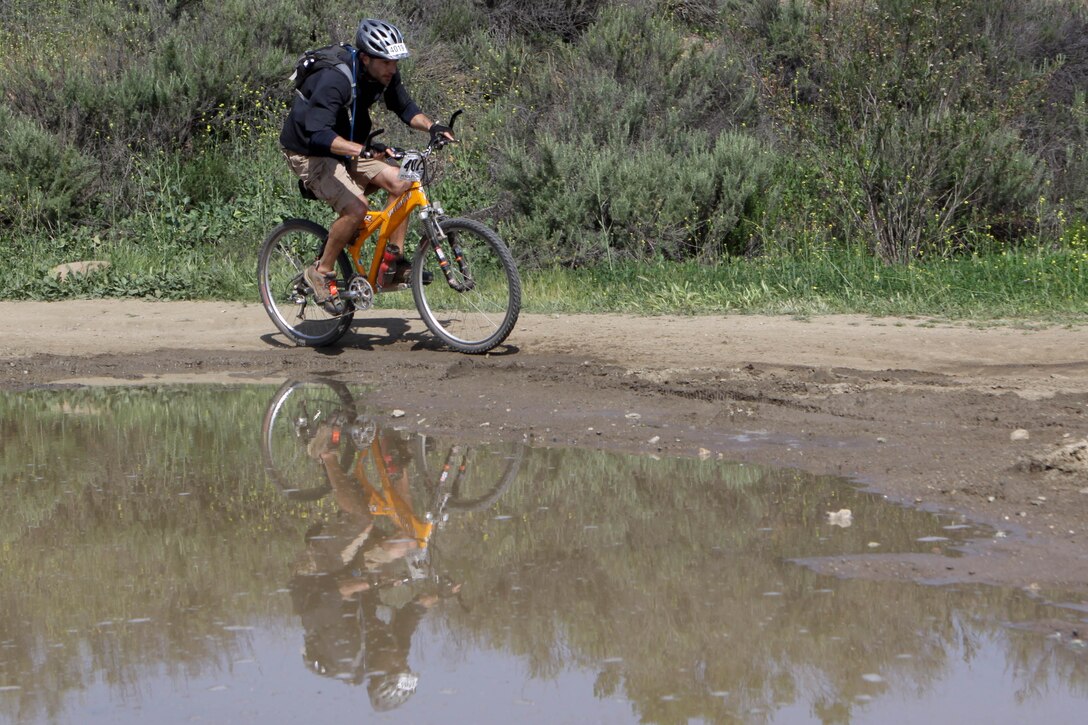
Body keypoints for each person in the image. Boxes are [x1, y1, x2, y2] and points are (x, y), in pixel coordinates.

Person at [279, 18, 454, 309]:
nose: (393, 68)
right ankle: (320, 272)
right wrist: (362, 150)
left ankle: (392, 262)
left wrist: (433, 126)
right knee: (357, 208)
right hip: (309, 151)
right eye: (387, 62)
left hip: (348, 147)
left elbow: (405, 107)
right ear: (365, 58)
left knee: (404, 181)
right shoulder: (335, 80)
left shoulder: (383, 74)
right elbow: (319, 133)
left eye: (395, 62)